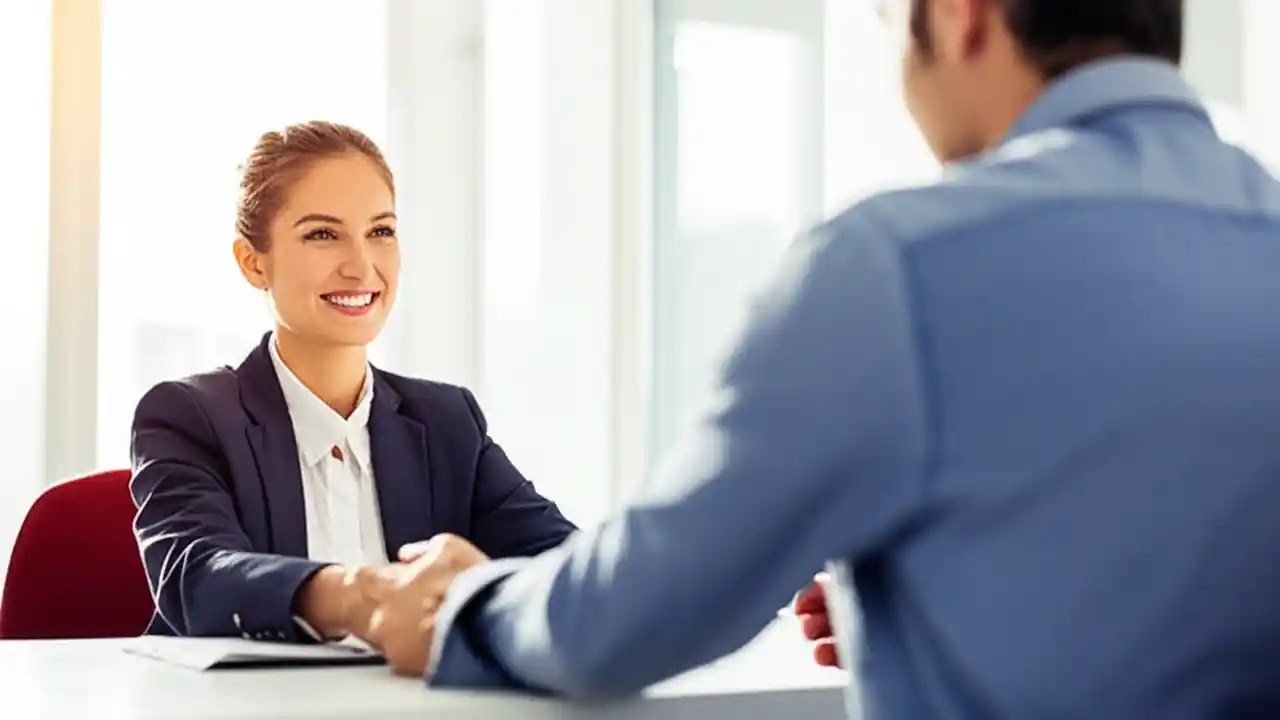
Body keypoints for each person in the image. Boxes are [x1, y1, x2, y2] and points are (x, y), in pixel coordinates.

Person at [362, 0, 1280, 716]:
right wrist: (940, 604)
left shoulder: (902, 262)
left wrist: (463, 606)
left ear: (962, 16)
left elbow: (640, 608)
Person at [129, 121, 575, 642]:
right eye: (323, 234)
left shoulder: (446, 421)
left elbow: (565, 566)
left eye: (381, 232)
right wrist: (362, 597)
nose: (362, 266)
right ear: (253, 262)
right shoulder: (189, 417)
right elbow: (197, 578)